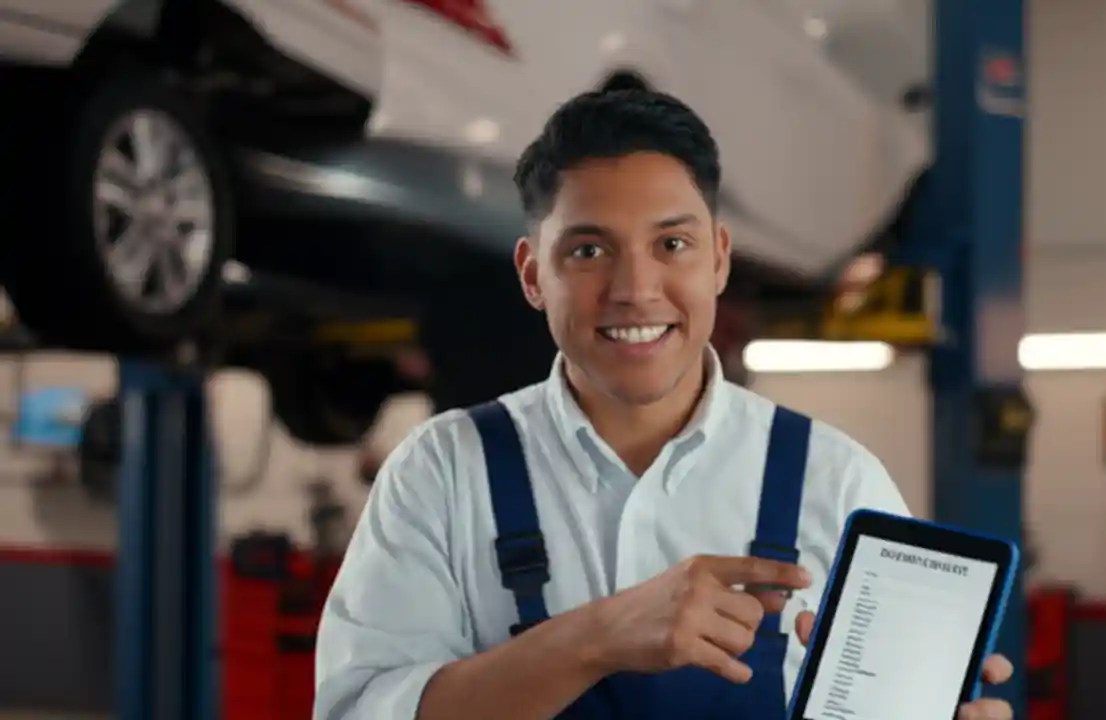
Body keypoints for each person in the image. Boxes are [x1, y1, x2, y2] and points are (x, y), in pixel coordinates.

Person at [313, 89, 1014, 720]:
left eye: (672, 244)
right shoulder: (442, 474)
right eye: (589, 251)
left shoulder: (836, 483)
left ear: (719, 258)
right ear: (532, 275)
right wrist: (595, 639)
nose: (634, 288)